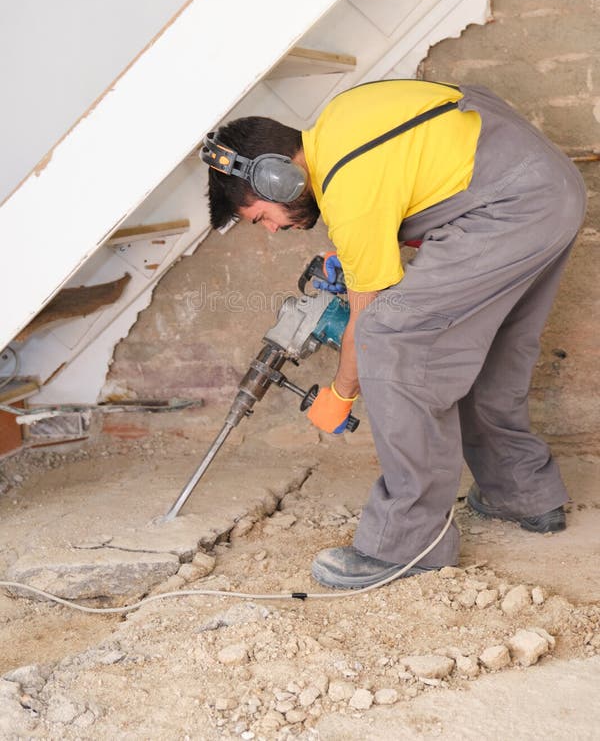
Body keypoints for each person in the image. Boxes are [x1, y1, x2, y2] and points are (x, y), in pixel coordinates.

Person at [204, 80, 586, 589]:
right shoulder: (342, 122)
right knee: (490, 352)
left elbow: (370, 319)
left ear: (279, 180)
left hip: (507, 208)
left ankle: (409, 543)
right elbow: (431, 175)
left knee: (391, 338)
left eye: (260, 216)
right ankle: (520, 493)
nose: (271, 229)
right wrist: (365, 249)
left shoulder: (346, 187)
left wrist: (340, 393)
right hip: (548, 193)